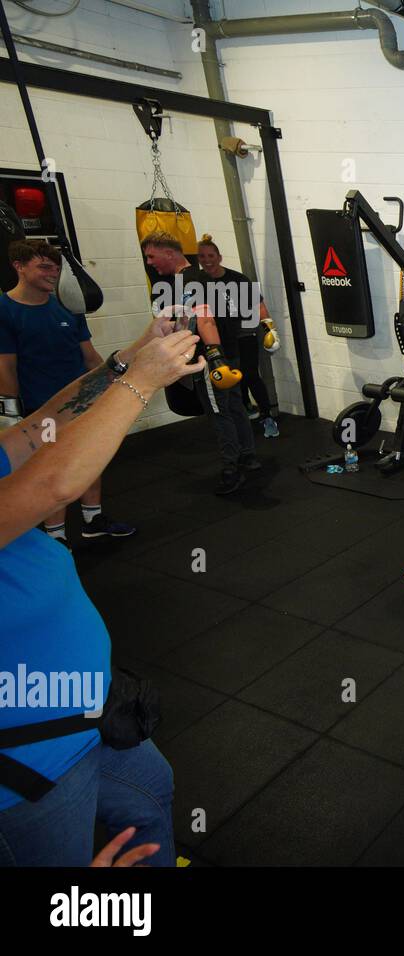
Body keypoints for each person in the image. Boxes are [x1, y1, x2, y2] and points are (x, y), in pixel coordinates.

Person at [0, 311, 200, 865]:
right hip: (26, 757)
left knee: (149, 805)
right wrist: (141, 383)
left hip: (91, 710)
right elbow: (51, 486)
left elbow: (37, 427)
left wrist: (127, 360)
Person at [0, 239, 135, 544]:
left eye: (56, 267)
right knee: (51, 469)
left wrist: (117, 387)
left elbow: (88, 355)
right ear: (18, 266)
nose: (53, 273)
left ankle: (92, 519)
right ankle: (57, 537)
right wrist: (12, 414)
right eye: (44, 266)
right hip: (41, 408)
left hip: (82, 402)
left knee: (90, 457)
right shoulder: (5, 311)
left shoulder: (68, 304)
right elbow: (5, 367)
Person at [142, 232, 258, 495]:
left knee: (220, 413)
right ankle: (249, 456)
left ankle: (231, 470)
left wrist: (214, 357)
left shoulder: (189, 280)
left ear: (169, 253)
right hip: (229, 351)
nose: (149, 263)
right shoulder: (201, 276)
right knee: (236, 404)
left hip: (211, 357)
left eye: (152, 256)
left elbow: (205, 320)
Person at [194, 236, 281, 439]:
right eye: (202, 256)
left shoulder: (237, 279)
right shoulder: (197, 281)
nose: (207, 260)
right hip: (218, 339)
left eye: (211, 255)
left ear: (219, 257)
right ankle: (244, 413)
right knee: (231, 379)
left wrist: (269, 329)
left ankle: (267, 417)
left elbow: (259, 305)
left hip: (244, 334)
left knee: (250, 374)